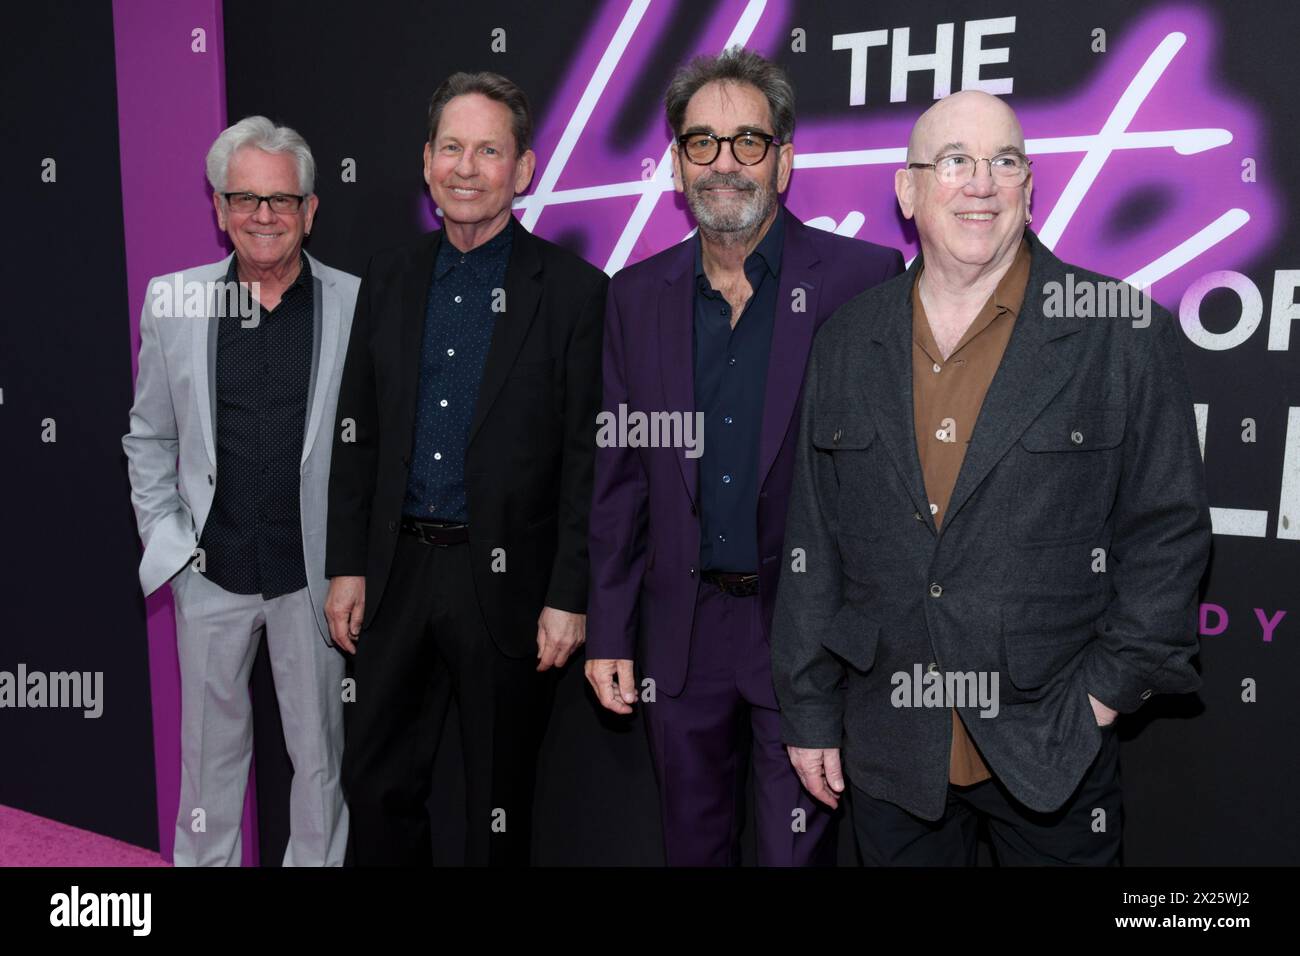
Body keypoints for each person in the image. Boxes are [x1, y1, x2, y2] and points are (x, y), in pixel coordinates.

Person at [772, 90, 1211, 865]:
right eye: (954, 162)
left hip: (1053, 746)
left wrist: (1104, 697)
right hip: (889, 746)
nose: (981, 183)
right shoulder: (847, 338)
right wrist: (808, 710)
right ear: (907, 191)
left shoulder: (1120, 331)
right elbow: (816, 542)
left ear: (1029, 187)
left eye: (1003, 162)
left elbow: (1167, 535)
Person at [586, 47, 903, 866]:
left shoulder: (863, 281)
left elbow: (884, 485)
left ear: (785, 160)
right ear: (676, 164)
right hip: (678, 641)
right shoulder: (633, 294)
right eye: (701, 143)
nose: (724, 163)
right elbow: (620, 478)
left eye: (747, 142)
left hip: (805, 640)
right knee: (690, 851)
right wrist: (611, 631)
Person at [326, 71, 607, 866]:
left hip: (509, 586)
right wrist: (346, 565)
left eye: (489, 150)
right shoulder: (388, 277)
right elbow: (360, 433)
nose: (466, 167)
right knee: (377, 786)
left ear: (522, 170)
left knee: (497, 803)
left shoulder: (577, 294)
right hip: (396, 573)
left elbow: (590, 459)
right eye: (451, 147)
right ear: (425, 162)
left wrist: (568, 594)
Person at [124, 116, 358, 866]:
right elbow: (151, 437)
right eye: (246, 198)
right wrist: (167, 538)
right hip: (210, 572)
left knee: (318, 765)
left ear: (311, 210)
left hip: (313, 580)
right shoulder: (175, 302)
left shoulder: (354, 303)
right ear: (219, 208)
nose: (264, 215)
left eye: (282, 200)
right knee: (208, 770)